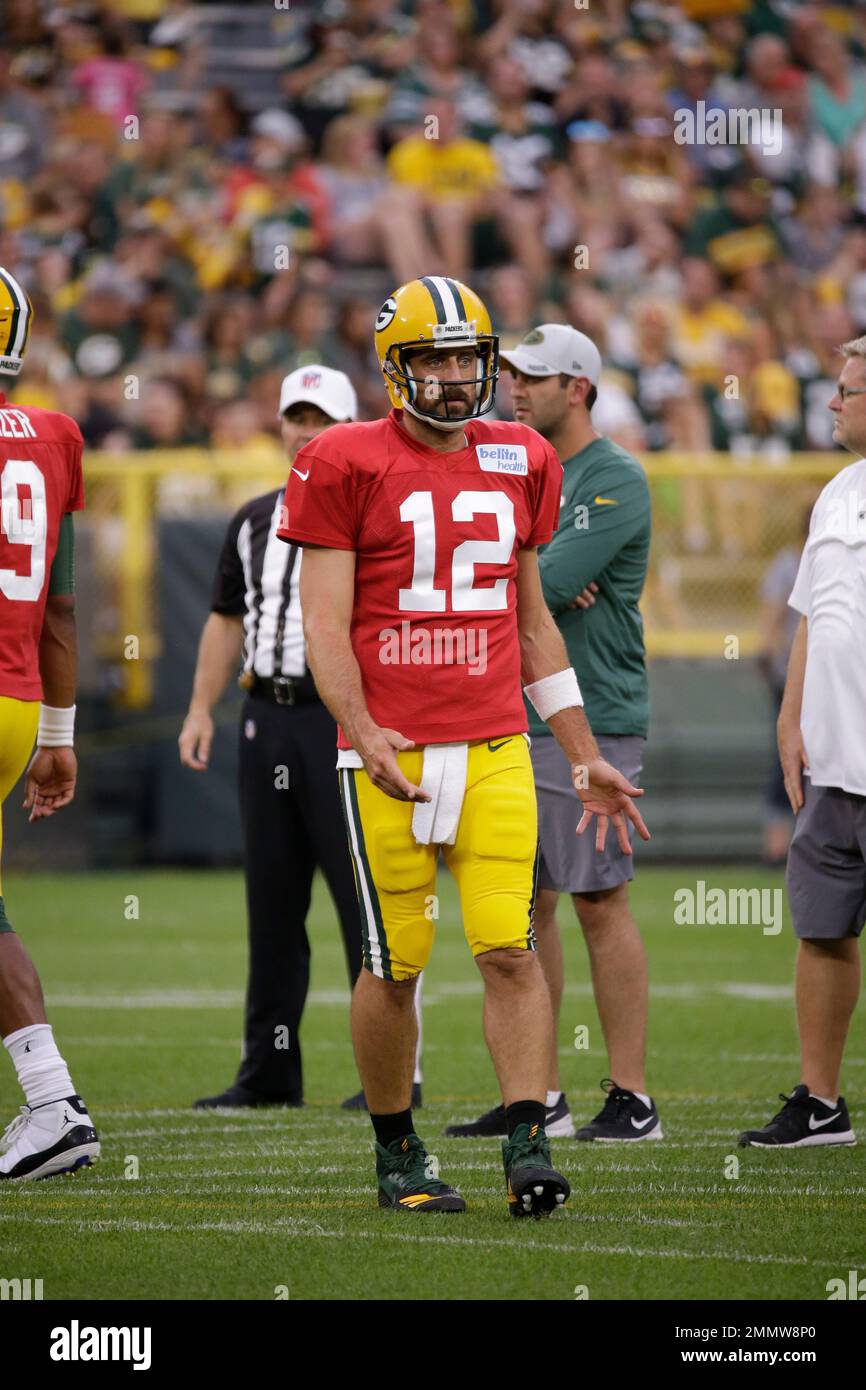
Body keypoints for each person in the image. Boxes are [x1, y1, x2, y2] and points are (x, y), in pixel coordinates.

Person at [278, 275, 649, 1216]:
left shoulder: (524, 456)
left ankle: (528, 1143)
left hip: (493, 747)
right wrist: (364, 732)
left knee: (512, 949)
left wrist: (580, 749)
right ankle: (398, 1152)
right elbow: (324, 627)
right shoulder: (339, 458)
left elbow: (533, 628)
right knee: (393, 963)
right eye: (432, 359)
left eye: (464, 359)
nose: (451, 377)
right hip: (390, 753)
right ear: (394, 367)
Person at [179, 366, 425, 1109]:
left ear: (351, 426)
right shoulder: (254, 519)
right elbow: (226, 619)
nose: (306, 428)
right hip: (268, 716)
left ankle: (393, 1077)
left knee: (368, 901)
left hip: (341, 720)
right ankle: (270, 1071)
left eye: (322, 415)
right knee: (274, 902)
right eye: (296, 415)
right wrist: (199, 707)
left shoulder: (376, 512)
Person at [446, 324, 658, 1142]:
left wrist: (526, 576)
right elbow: (530, 584)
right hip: (512, 709)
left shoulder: (616, 478)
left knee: (600, 899)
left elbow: (544, 580)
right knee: (527, 907)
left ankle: (632, 1096)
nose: (514, 388)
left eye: (535, 377)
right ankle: (541, 1092)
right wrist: (531, 578)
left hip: (592, 712)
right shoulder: (509, 464)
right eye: (514, 376)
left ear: (580, 387)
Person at [739, 334, 866, 1148]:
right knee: (822, 930)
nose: (831, 402)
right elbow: (813, 619)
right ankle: (821, 1103)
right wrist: (790, 722)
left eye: (846, 390)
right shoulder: (837, 493)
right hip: (834, 765)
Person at [0, 266, 100, 1180]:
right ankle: (50, 1099)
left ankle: (52, 1102)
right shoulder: (56, 434)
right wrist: (59, 740)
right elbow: (62, 612)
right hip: (20, 701)